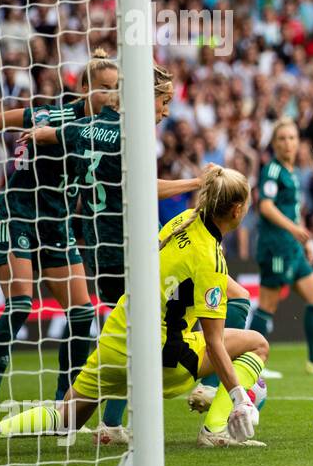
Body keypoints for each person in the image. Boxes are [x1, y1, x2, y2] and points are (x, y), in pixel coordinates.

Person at [16, 64, 238, 445]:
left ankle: (108, 420)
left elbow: (55, 133)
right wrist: (198, 182)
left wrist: (36, 136)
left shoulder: (90, 126)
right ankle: (204, 392)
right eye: (164, 101)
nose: (166, 111)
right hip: (126, 251)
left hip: (97, 249)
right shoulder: (129, 133)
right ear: (144, 97)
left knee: (133, 342)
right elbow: (143, 185)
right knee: (158, 335)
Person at [0, 166, 268, 449]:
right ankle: (215, 429)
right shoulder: (211, 261)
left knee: (65, 418)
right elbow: (215, 343)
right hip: (163, 356)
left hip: (118, 337)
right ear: (237, 209)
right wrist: (239, 397)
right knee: (257, 344)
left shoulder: (182, 220)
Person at [0, 53, 117, 439]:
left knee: (83, 314)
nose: (113, 94)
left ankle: (62, 410)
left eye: (117, 87)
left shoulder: (112, 127)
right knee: (21, 302)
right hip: (16, 214)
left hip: (57, 224)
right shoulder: (51, 115)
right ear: (85, 89)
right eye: (105, 88)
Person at [252, 118, 313, 375]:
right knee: (267, 306)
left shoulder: (291, 172)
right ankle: (253, 364)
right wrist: (294, 230)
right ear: (274, 143)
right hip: (276, 247)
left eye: (292, 138)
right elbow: (265, 206)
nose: (288, 143)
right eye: (282, 138)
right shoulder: (271, 170)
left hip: (293, 248)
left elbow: (291, 210)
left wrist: (303, 243)